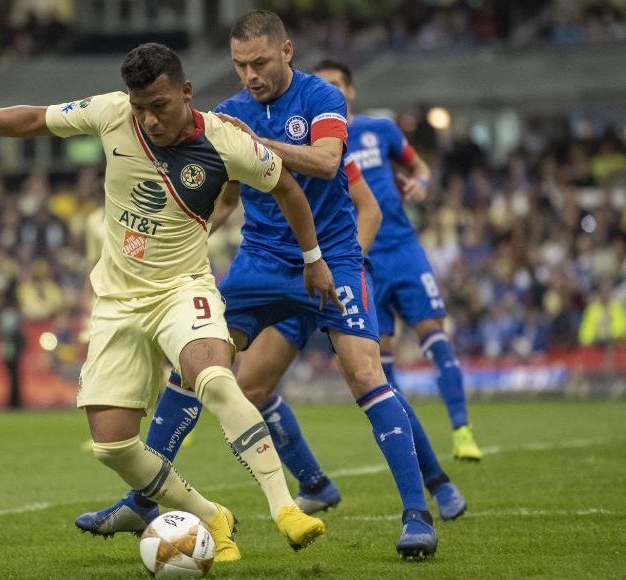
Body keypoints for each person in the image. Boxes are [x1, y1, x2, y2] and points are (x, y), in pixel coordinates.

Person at [0, 42, 335, 562]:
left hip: (182, 288)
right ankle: (211, 515)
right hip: (117, 301)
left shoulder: (226, 142)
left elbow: (289, 188)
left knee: (215, 377)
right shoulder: (112, 111)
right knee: (113, 444)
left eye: (160, 105)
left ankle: (285, 509)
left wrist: (313, 258)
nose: (150, 119)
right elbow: (36, 119)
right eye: (141, 108)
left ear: (186, 92)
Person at [76, 11, 445, 559]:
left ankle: (417, 514)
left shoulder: (322, 98)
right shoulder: (228, 115)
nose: (250, 75)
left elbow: (324, 163)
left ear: (287, 52)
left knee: (367, 373)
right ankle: (143, 500)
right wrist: (192, 245)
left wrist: (261, 143)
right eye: (240, 65)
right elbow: (222, 198)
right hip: (260, 262)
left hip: (332, 258)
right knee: (195, 369)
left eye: (260, 63)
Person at [313, 59, 483, 461]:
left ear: (351, 90)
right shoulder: (317, 144)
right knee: (379, 361)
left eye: (338, 84)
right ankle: (415, 448)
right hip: (360, 257)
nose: (332, 92)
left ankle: (462, 431)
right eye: (323, 86)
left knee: (433, 333)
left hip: (403, 249)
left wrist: (420, 184)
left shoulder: (381, 130)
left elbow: (419, 166)